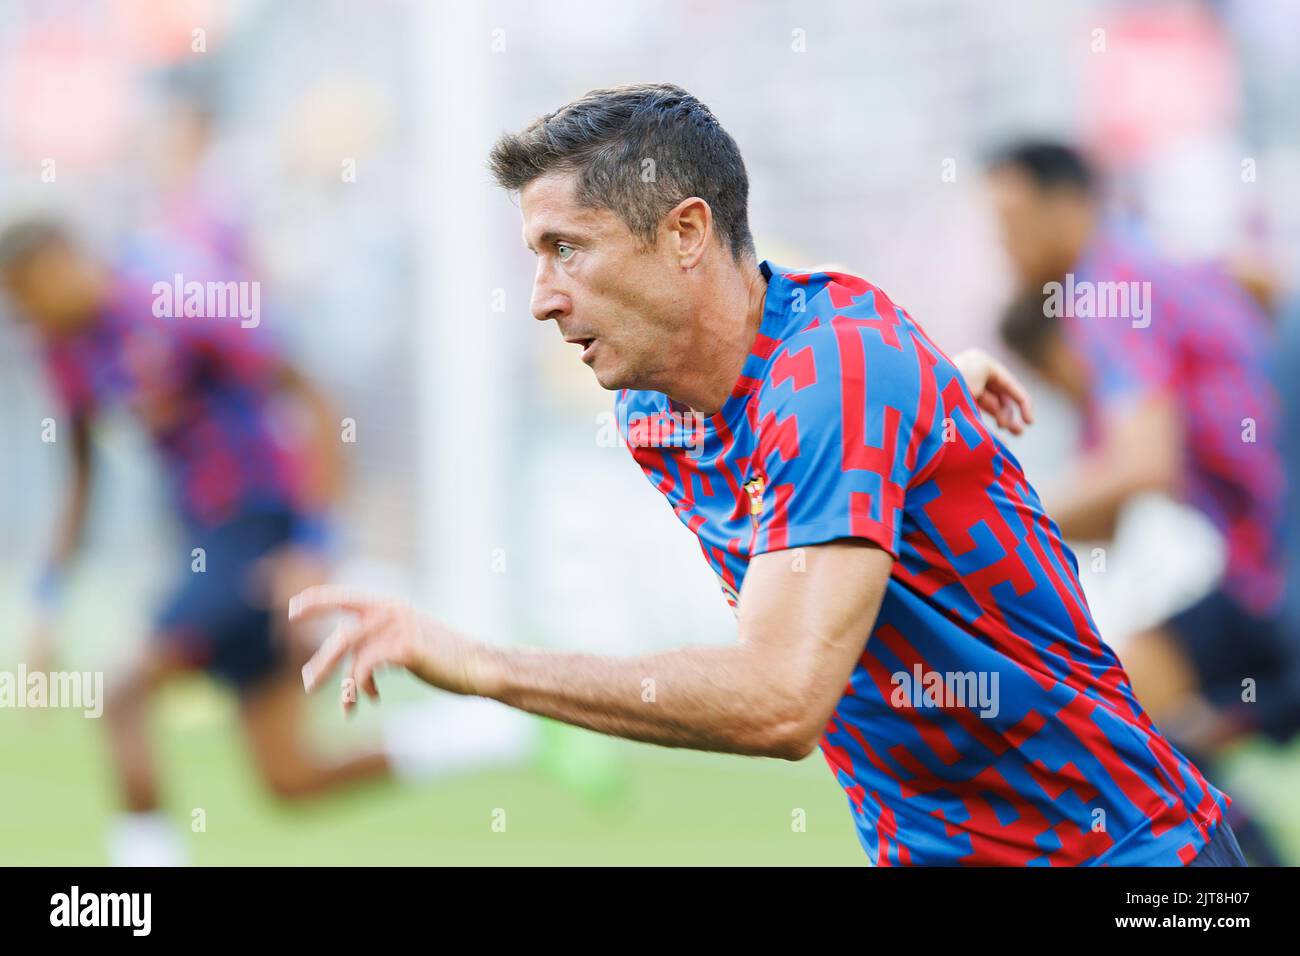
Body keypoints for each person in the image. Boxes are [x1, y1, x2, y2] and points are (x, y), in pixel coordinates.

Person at [290, 84, 1240, 865]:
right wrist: (931, 387)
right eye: (537, 256)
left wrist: (488, 666)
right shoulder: (655, 404)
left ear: (686, 233)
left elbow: (783, 698)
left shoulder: (837, 375)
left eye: (566, 249)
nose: (541, 298)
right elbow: (809, 319)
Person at [0, 220, 530, 866]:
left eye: (23, 294)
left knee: (122, 693)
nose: (22, 315)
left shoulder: (175, 301)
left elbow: (313, 396)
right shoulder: (67, 349)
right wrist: (48, 601)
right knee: (290, 779)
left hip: (259, 527)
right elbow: (82, 476)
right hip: (206, 539)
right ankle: (485, 733)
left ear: (60, 262)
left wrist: (313, 545)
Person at [987, 140, 1299, 864]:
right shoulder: (1161, 259)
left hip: (1276, 566)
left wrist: (989, 520)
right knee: (1136, 719)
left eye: (1010, 219)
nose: (1002, 244)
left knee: (1120, 730)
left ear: (1067, 206)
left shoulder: (1106, 285)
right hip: (1262, 564)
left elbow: (1141, 469)